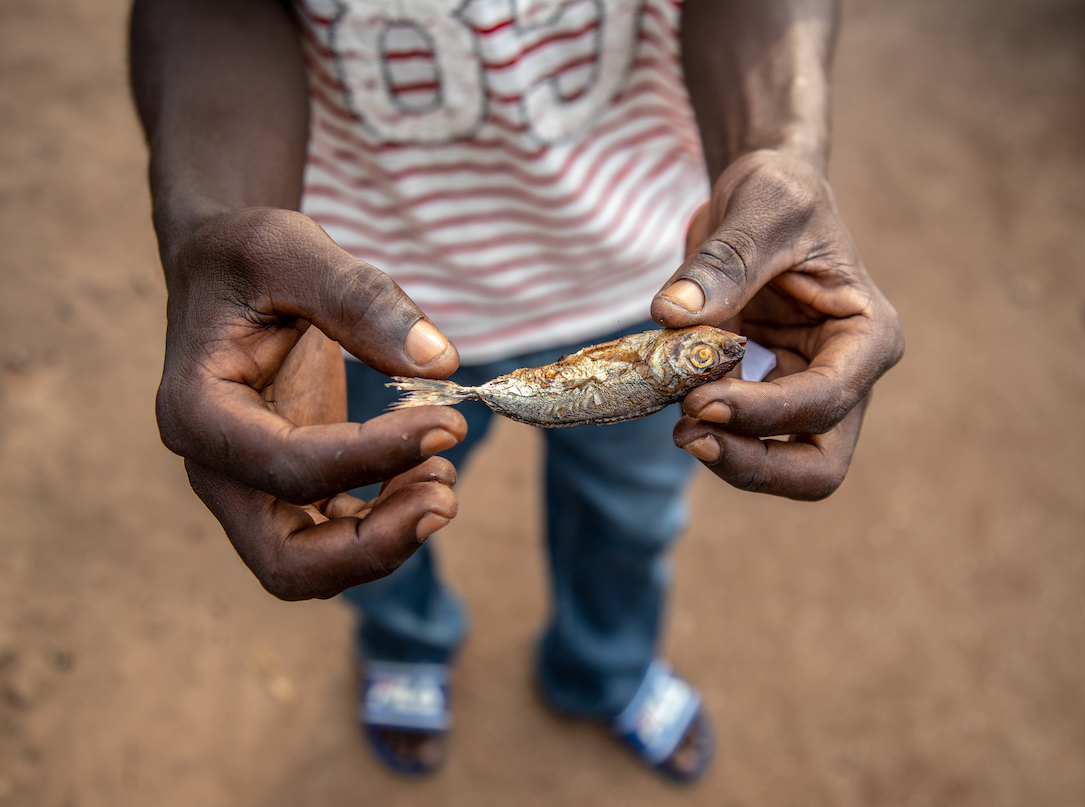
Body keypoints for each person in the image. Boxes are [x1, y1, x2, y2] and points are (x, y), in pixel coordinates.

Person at [129, 0, 904, 784]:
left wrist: (777, 150)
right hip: (351, 301)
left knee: (632, 518)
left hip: (653, 279)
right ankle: (406, 643)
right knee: (365, 510)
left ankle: (605, 665)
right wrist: (216, 221)